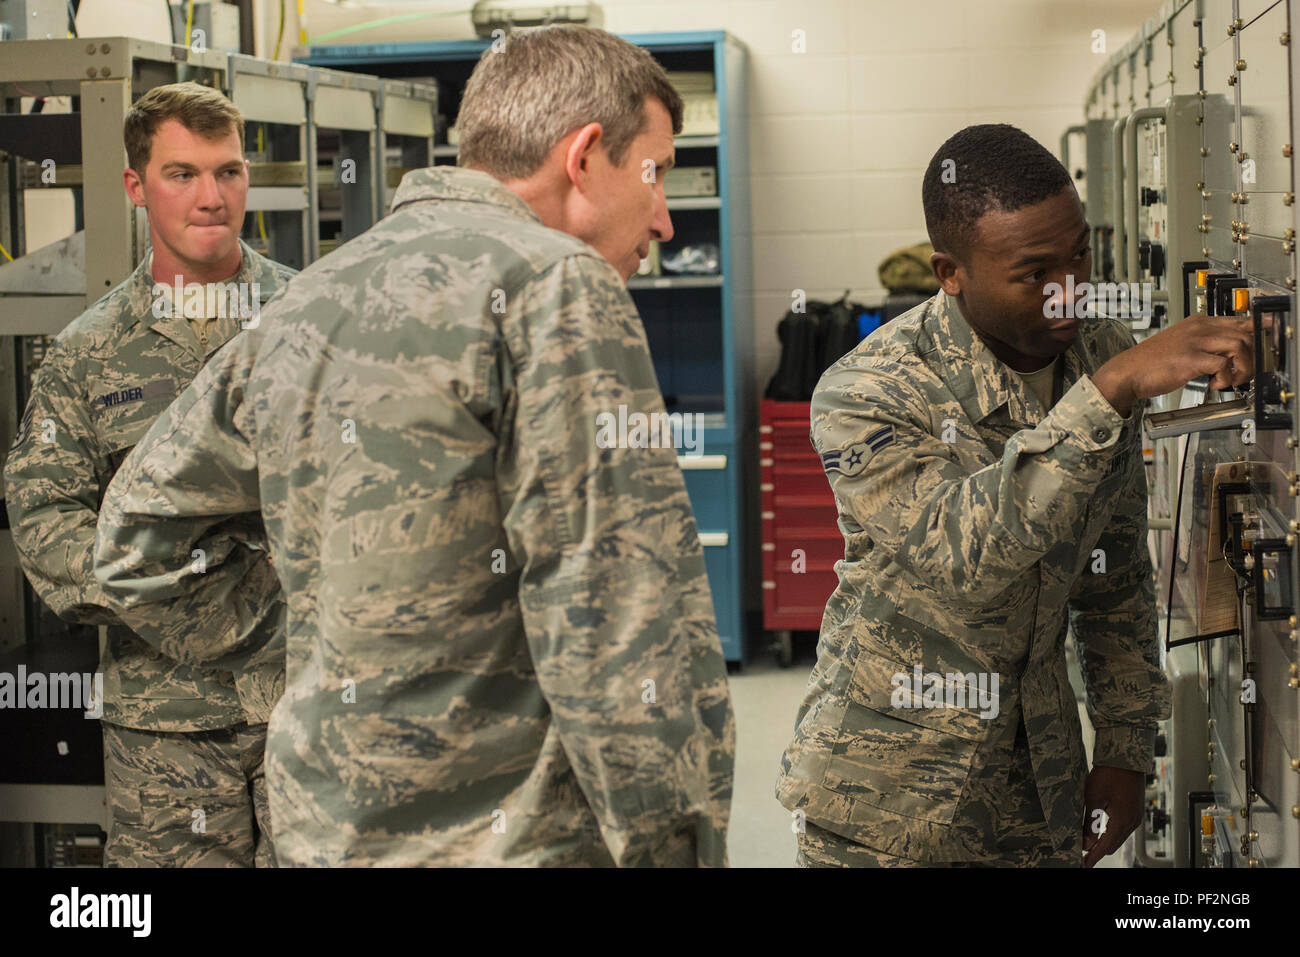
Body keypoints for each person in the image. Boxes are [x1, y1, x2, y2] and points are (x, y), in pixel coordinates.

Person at [94, 26, 735, 867]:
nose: (664, 214)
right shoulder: (554, 285)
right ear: (582, 157)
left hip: (324, 835)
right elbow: (614, 613)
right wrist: (672, 841)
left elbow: (131, 544)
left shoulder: (304, 301)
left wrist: (330, 630)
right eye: (653, 171)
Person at [777, 124, 1257, 867]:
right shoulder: (867, 390)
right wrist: (1111, 393)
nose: (1071, 290)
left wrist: (1127, 750)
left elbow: (1116, 573)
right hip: (887, 804)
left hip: (1042, 789)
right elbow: (965, 554)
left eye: (1079, 255)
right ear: (950, 271)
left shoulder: (1096, 351)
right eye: (1036, 272)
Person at [4, 82, 295, 866]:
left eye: (229, 172)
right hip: (164, 732)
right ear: (136, 185)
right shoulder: (86, 353)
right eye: (182, 174)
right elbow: (43, 516)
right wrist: (171, 597)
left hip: (308, 705)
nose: (212, 197)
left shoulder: (316, 320)